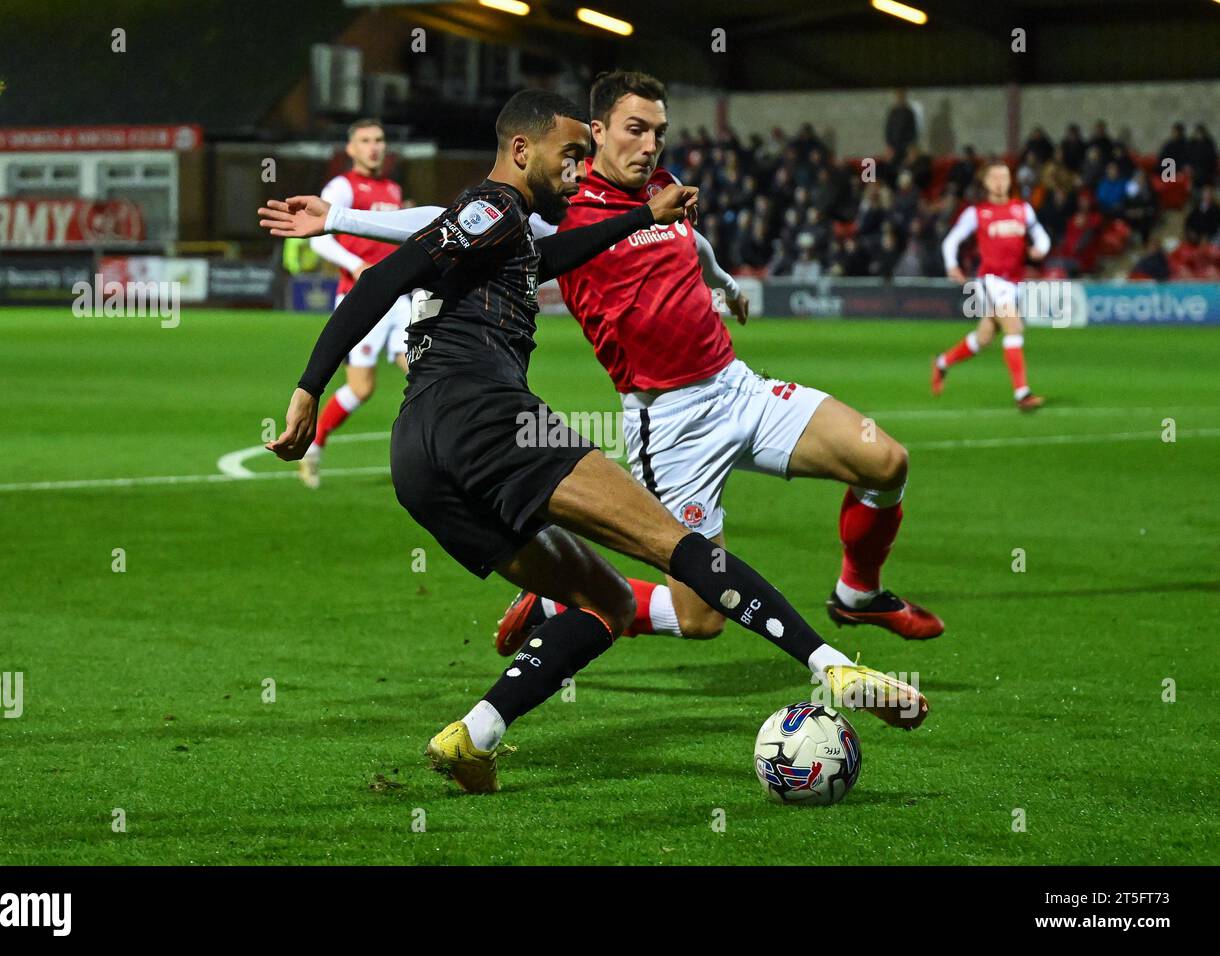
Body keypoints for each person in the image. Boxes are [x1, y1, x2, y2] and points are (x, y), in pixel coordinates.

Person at [262, 89, 928, 793]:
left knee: (608, 603)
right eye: (570, 154)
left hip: (417, 456)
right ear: (523, 149)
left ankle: (472, 735)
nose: (577, 170)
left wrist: (643, 217)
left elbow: (546, 258)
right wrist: (309, 384)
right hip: (490, 418)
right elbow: (384, 274)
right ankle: (832, 666)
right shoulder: (494, 205)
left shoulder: (512, 236)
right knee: (680, 549)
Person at [301, 119, 411, 489]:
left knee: (424, 372)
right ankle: (314, 446)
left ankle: (437, 455)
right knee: (361, 388)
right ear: (350, 149)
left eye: (379, 140)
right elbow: (318, 238)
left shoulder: (392, 189)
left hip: (400, 297)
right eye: (365, 140)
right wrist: (355, 264)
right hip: (361, 299)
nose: (374, 147)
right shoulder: (342, 187)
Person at [934, 162, 1050, 411]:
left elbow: (1040, 234)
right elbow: (951, 241)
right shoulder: (977, 213)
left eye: (1004, 177)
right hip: (991, 281)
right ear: (986, 183)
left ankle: (942, 362)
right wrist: (952, 265)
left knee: (984, 338)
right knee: (1014, 326)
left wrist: (1041, 248)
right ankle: (1022, 394)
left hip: (1014, 282)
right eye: (994, 177)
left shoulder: (1022, 209)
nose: (999, 182)